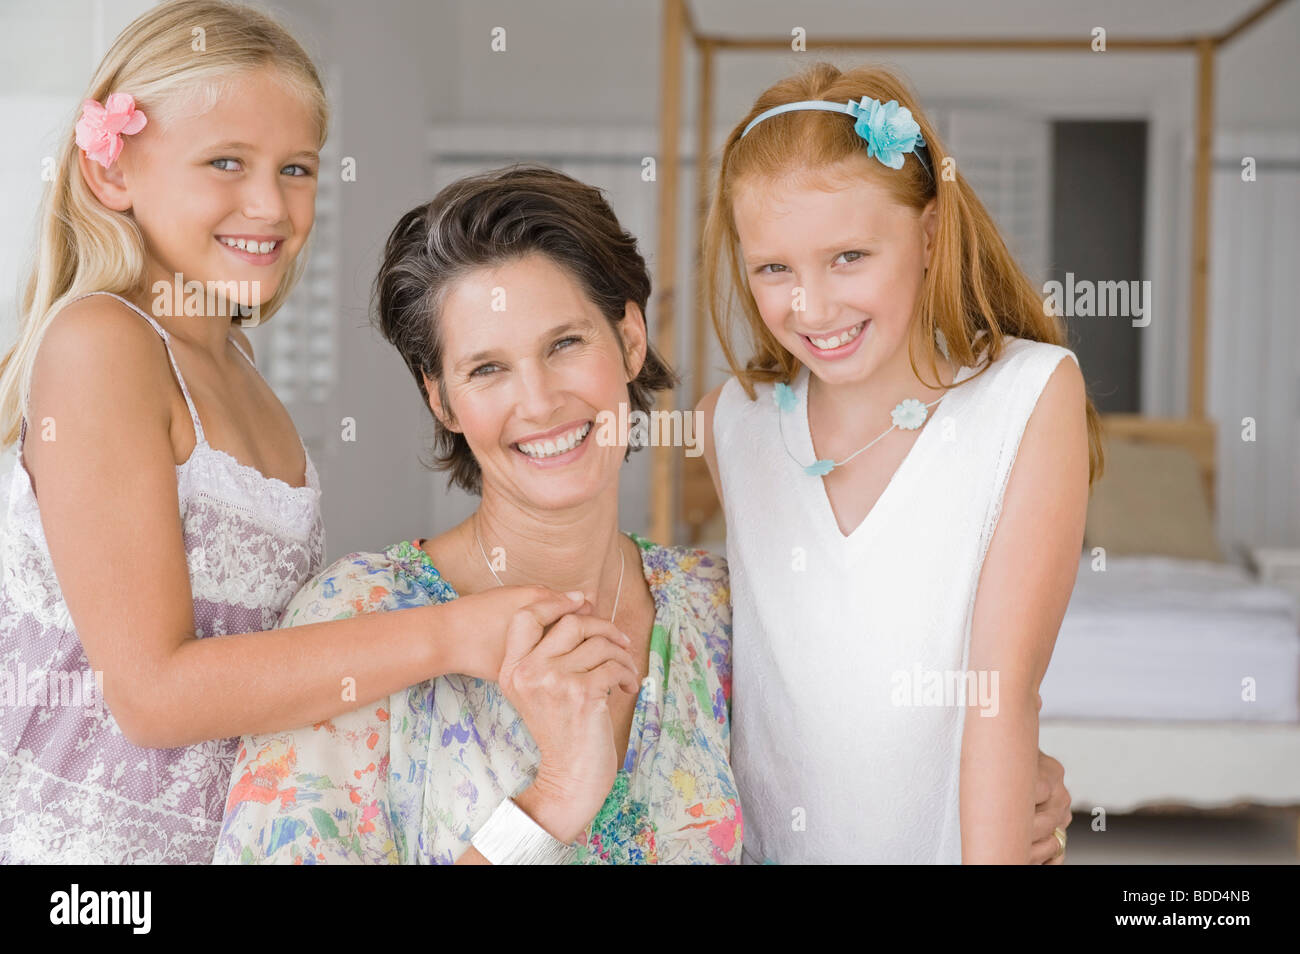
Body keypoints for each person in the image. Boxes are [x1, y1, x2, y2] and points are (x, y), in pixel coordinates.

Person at [0, 0, 545, 864]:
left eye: (297, 168)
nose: (270, 203)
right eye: (226, 162)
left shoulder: (242, 371)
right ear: (112, 175)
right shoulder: (102, 345)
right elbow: (152, 694)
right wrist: (452, 633)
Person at [215, 166, 742, 864]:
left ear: (631, 340)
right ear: (442, 401)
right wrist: (550, 802)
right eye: (487, 369)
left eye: (565, 344)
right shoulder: (356, 616)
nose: (540, 400)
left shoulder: (715, 611)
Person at [696, 63, 1096, 863]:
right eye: (773, 268)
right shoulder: (731, 422)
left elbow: (1000, 697)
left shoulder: (1027, 396)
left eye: (848, 256)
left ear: (929, 233)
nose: (811, 307)